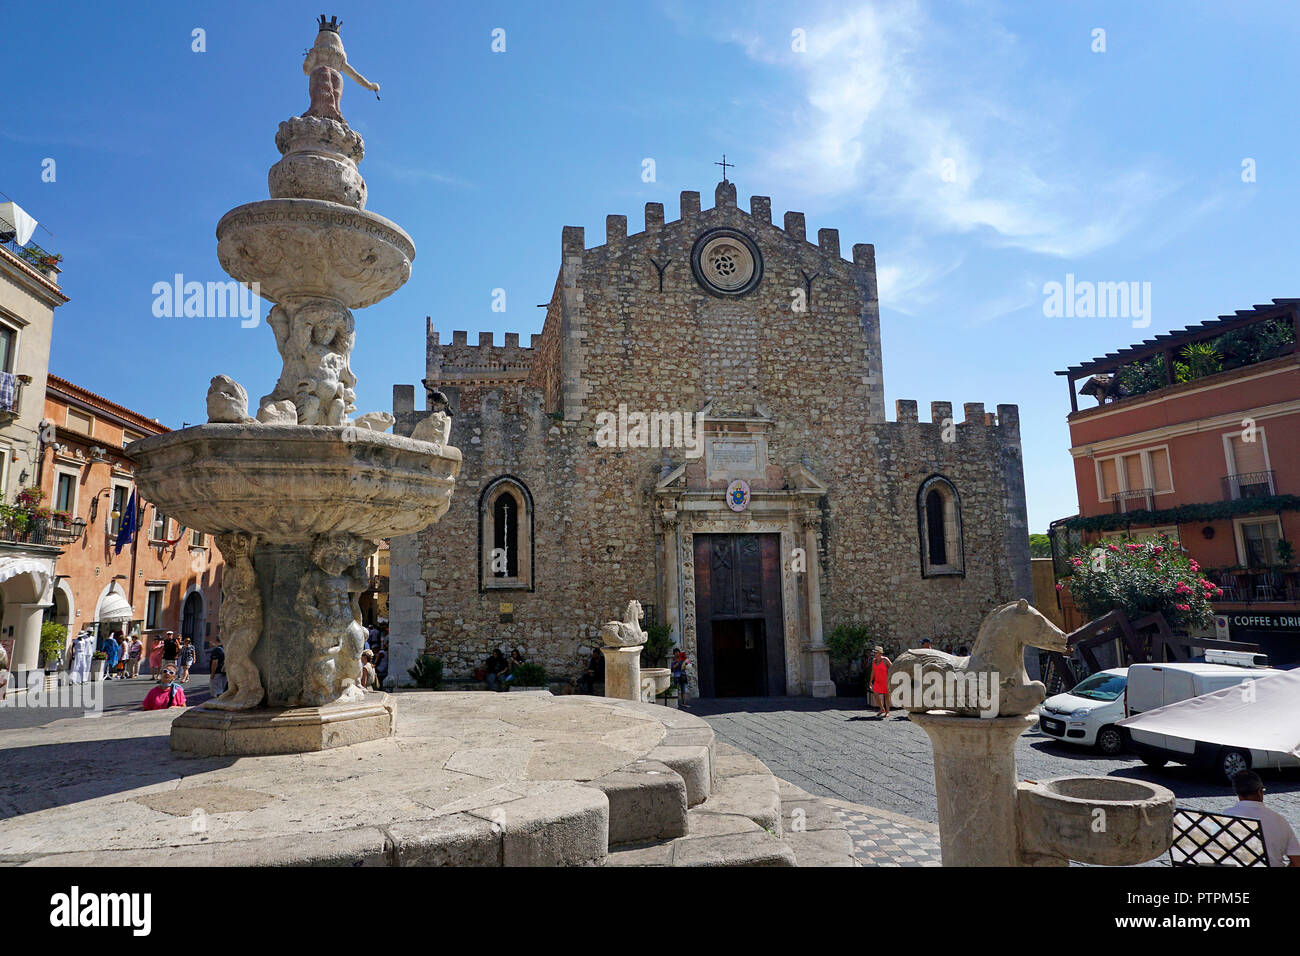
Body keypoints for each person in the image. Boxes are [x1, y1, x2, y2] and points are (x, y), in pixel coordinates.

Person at [1226, 771, 1300, 867]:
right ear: (1260, 791)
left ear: (1238, 794)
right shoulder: (1279, 820)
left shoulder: (1225, 817)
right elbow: (1297, 862)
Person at [869, 645, 893, 718]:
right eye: (874, 652)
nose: (874, 654)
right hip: (877, 681)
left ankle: (888, 712)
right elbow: (873, 671)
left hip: (885, 681)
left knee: (886, 696)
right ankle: (882, 709)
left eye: (876, 652)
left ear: (880, 653)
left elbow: (892, 668)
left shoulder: (885, 660)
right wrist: (870, 681)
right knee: (875, 694)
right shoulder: (874, 661)